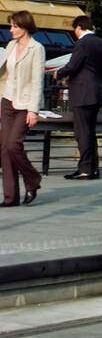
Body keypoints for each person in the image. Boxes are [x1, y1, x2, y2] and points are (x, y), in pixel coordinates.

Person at [56, 16, 102, 180]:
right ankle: (93, 168)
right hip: (97, 92)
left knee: (82, 132)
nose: (74, 33)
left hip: (83, 93)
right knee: (90, 131)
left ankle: (85, 169)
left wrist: (59, 73)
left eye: (75, 30)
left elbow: (74, 64)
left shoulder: (82, 43)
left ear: (79, 27)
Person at [0, 11, 45, 206]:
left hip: (25, 104)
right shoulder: (10, 46)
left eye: (14, 26)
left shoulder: (37, 48)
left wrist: (33, 110)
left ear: (25, 26)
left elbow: (37, 81)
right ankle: (10, 197)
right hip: (7, 100)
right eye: (10, 26)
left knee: (13, 145)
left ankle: (33, 179)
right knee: (4, 149)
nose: (11, 30)